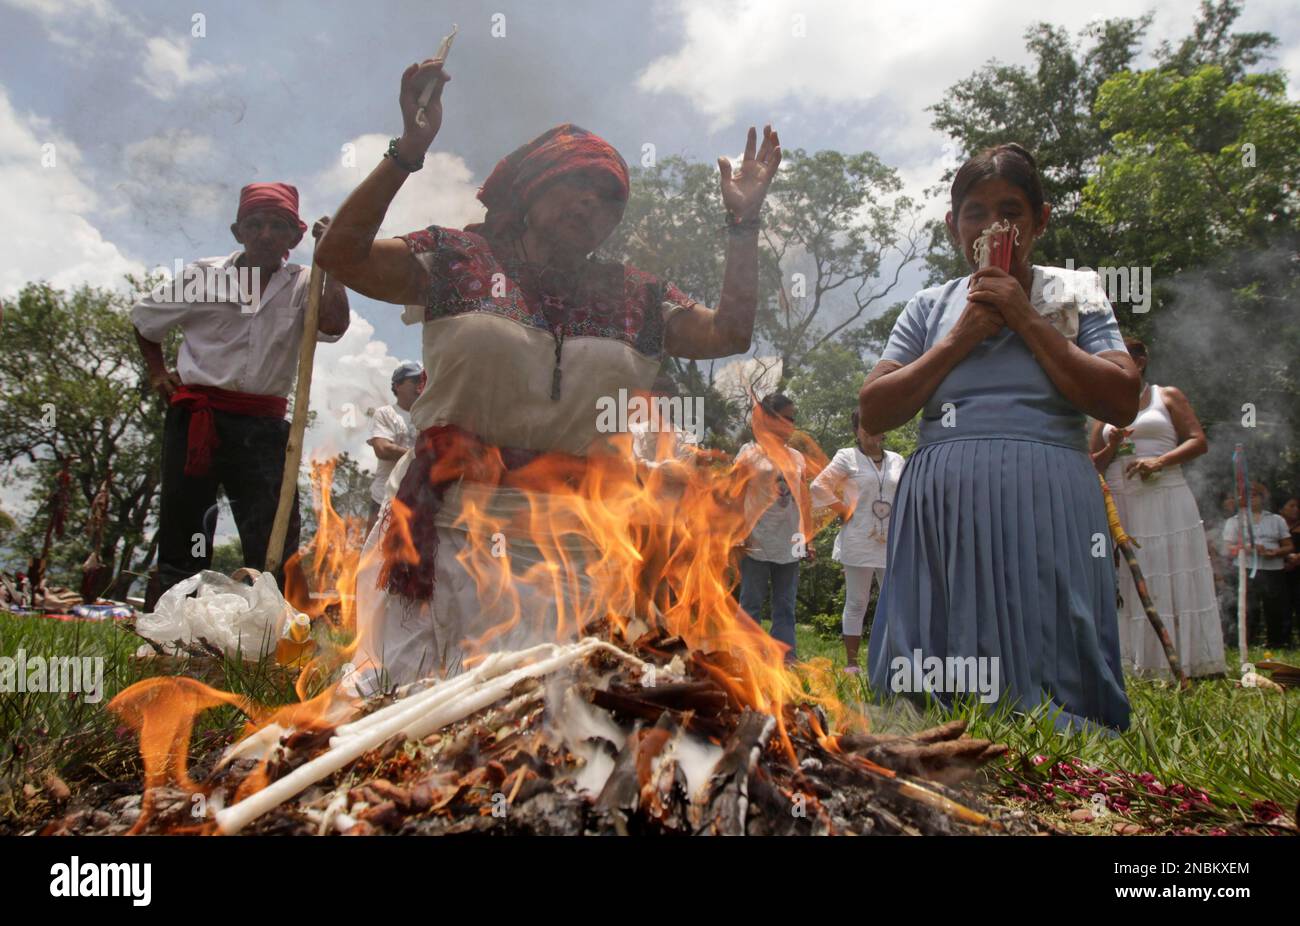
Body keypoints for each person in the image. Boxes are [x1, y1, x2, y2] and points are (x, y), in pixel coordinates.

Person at [314, 57, 780, 684]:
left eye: (609, 198)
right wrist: (409, 150)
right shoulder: (455, 257)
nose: (591, 204)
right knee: (412, 720)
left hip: (575, 552)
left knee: (559, 730)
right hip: (447, 535)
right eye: (575, 184)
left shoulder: (638, 295)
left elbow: (729, 332)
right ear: (530, 191)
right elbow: (339, 254)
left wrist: (743, 224)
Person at [859, 143, 1140, 731]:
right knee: (939, 638)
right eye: (976, 212)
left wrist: (1024, 316)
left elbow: (1119, 399)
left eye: (1011, 211)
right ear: (952, 225)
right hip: (942, 499)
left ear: (1041, 219)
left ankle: (1061, 719)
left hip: (1050, 491)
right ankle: (931, 720)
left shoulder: (1075, 291)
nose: (993, 227)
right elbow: (876, 409)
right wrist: (962, 337)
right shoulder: (929, 306)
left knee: (1050, 621)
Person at [132, 183, 350, 594]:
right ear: (238, 232)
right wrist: (157, 373)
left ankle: (269, 631)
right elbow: (145, 321)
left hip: (264, 427)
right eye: (256, 224)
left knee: (272, 531)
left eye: (278, 225)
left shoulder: (306, 281)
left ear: (296, 237)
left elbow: (334, 326)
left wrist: (333, 259)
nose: (266, 234)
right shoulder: (202, 275)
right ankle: (173, 633)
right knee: (186, 524)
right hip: (199, 418)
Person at [1089, 339, 1225, 678]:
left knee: (1172, 568)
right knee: (1132, 577)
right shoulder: (1101, 408)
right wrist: (1115, 445)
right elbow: (1091, 464)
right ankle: (1136, 664)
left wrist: (1159, 461)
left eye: (1122, 361)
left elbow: (1198, 440)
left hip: (1165, 495)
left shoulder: (1168, 396)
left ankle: (1190, 660)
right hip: (1122, 499)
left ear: (1141, 361)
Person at [810, 412, 905, 674]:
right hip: (858, 539)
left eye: (876, 427)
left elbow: (908, 493)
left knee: (896, 601)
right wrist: (842, 510)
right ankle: (852, 665)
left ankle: (892, 661)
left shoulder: (897, 460)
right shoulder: (846, 457)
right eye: (865, 428)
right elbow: (818, 486)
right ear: (856, 431)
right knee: (856, 602)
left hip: (891, 542)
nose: (872, 433)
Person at [734, 394, 812, 662]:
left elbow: (803, 500)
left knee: (785, 606)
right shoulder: (749, 453)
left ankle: (786, 660)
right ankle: (746, 659)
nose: (792, 424)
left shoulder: (797, 458)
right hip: (755, 540)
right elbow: (734, 496)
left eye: (794, 419)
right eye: (787, 418)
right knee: (751, 604)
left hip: (789, 542)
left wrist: (807, 538)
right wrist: (735, 534)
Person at [1222, 482, 1295, 649]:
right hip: (1245, 568)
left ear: (1263, 498)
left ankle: (1277, 642)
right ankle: (1246, 642)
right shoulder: (1234, 521)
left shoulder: (1276, 519)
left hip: (1273, 568)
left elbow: (1288, 546)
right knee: (1247, 607)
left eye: (1255, 495)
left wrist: (1274, 552)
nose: (1252, 498)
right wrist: (1247, 549)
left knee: (1275, 607)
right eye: (1248, 495)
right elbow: (1227, 548)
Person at [367, 361, 424, 532]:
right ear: (398, 385)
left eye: (423, 380)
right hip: (385, 498)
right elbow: (383, 449)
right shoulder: (386, 413)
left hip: (418, 500)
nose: (420, 385)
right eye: (414, 380)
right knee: (374, 555)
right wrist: (422, 456)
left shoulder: (428, 417)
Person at [1282, 496, 1300, 645]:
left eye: (1297, 506)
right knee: (1283, 606)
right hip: (1281, 571)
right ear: (1281, 509)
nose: (1296, 509)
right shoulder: (1276, 524)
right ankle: (1284, 639)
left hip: (1298, 571)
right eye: (1291, 506)